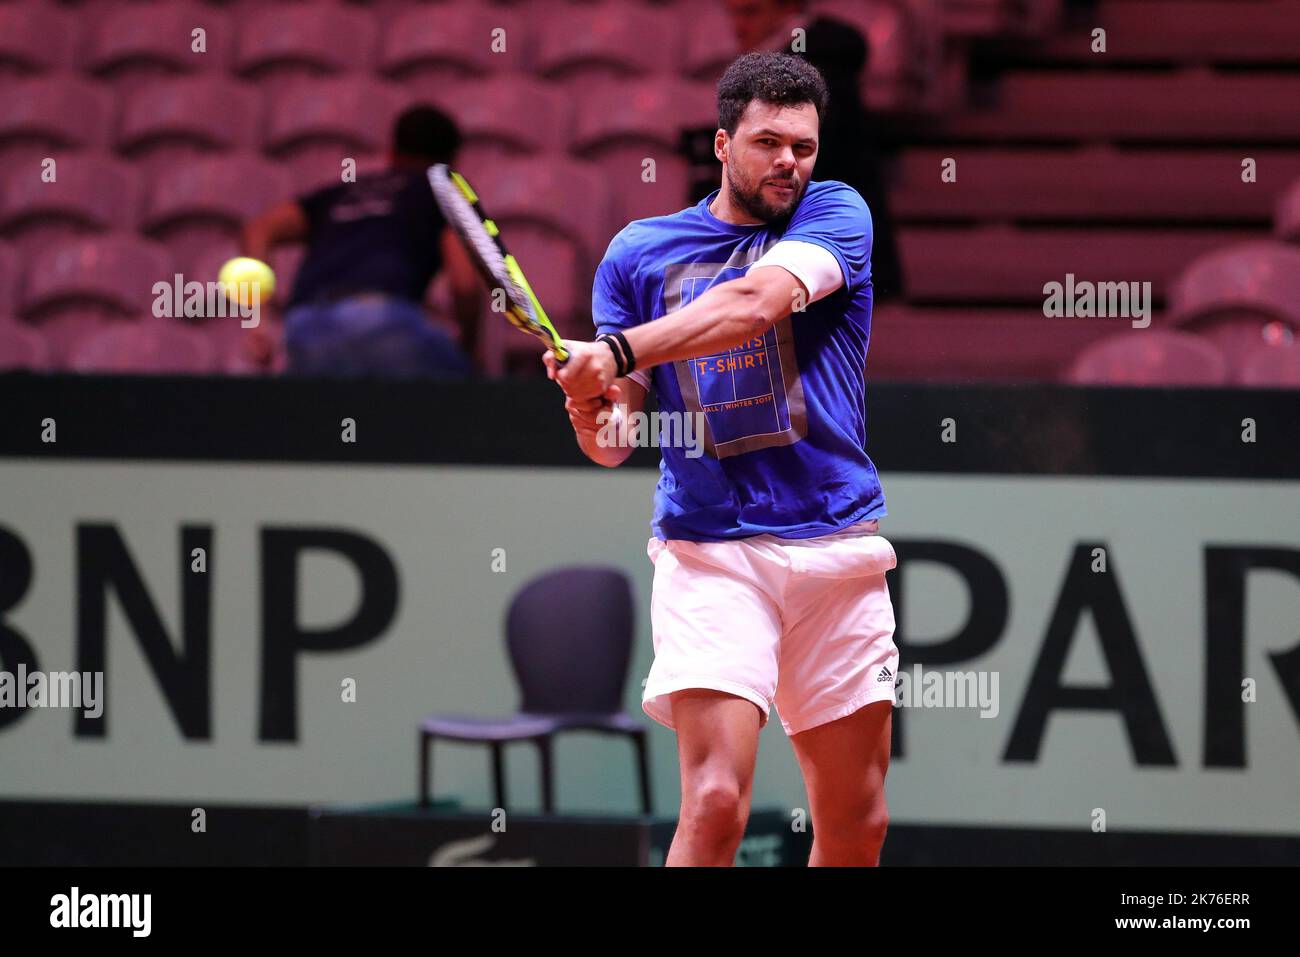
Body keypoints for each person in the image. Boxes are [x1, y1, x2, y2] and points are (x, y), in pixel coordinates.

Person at [547, 52, 898, 866]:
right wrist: (586, 396)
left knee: (856, 822)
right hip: (712, 549)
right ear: (720, 142)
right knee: (713, 802)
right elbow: (613, 442)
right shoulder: (638, 253)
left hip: (837, 545)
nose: (788, 163)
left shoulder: (837, 214)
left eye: (803, 147)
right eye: (769, 142)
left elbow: (755, 303)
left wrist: (617, 348)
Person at [683, 0, 905, 299]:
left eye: (751, 11)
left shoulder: (822, 64)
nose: (738, 26)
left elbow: (819, 165)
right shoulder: (785, 63)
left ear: (787, 8)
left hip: (821, 242)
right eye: (732, 13)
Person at [240, 105, 482, 376]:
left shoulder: (344, 191)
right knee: (464, 393)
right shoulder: (446, 193)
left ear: (392, 153)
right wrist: (470, 346)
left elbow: (258, 229)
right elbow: (465, 286)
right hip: (383, 320)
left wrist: (258, 319)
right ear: (453, 161)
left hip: (304, 325)